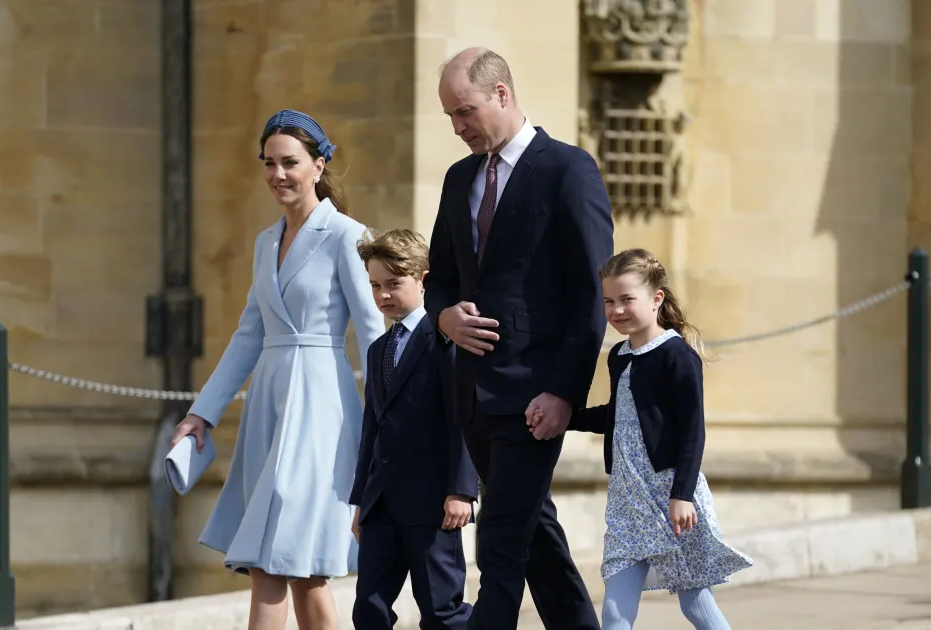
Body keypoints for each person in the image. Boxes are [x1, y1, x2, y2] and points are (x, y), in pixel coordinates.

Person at [170, 109, 385, 630]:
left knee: (284, 560)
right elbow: (249, 335)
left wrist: (388, 422)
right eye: (269, 164)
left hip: (320, 407)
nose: (278, 175)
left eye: (290, 162)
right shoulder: (266, 242)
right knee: (293, 566)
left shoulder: (347, 235)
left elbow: (375, 332)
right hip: (268, 404)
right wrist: (201, 415)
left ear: (319, 164)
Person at [424, 47, 612, 630]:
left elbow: (591, 296)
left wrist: (564, 393)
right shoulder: (459, 180)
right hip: (473, 395)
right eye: (450, 116)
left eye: (465, 112)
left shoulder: (567, 169)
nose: (457, 127)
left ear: (502, 93)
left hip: (534, 398)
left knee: (500, 545)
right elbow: (441, 280)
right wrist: (443, 318)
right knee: (536, 538)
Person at [548, 249, 753, 629]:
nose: (617, 310)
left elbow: (693, 430)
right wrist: (566, 418)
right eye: (609, 301)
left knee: (696, 604)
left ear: (656, 299)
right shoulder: (619, 357)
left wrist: (682, 495)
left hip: (670, 498)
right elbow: (619, 415)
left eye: (627, 299)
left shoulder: (676, 356)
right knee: (614, 613)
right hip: (628, 501)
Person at [349, 228, 480, 630]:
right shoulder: (377, 350)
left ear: (423, 279)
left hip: (434, 504)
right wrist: (360, 503)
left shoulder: (447, 340)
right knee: (368, 609)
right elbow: (372, 428)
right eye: (374, 285)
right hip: (382, 503)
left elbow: (463, 417)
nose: (382, 295)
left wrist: (461, 490)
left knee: (441, 611)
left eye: (392, 284)